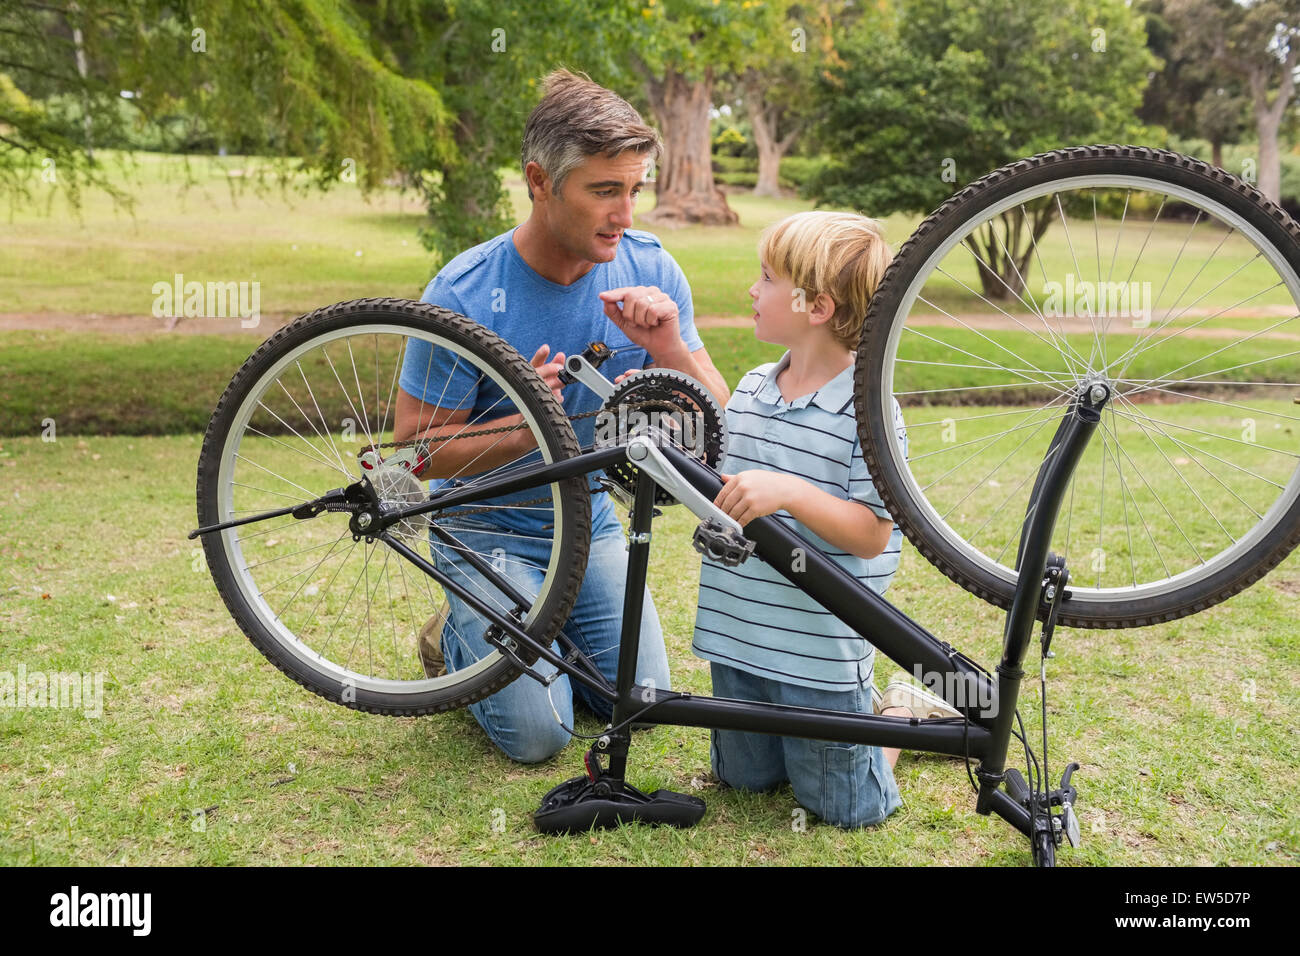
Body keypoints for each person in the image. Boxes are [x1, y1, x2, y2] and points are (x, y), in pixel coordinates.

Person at [391, 69, 729, 764]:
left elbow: (716, 420)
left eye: (634, 189)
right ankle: (454, 635)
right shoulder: (463, 291)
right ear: (539, 182)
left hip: (588, 521)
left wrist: (667, 345)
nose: (626, 214)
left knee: (641, 704)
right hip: (483, 527)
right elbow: (410, 456)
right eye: (604, 191)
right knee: (540, 736)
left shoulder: (652, 271)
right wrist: (525, 423)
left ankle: (536, 634)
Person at [688, 210, 959, 829]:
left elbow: (872, 534)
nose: (751, 291)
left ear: (816, 306)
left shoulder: (868, 411)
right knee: (744, 783)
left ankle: (897, 716)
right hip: (740, 641)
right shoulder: (756, 386)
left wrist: (791, 492)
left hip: (816, 653)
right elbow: (728, 486)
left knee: (846, 810)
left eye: (766, 279)